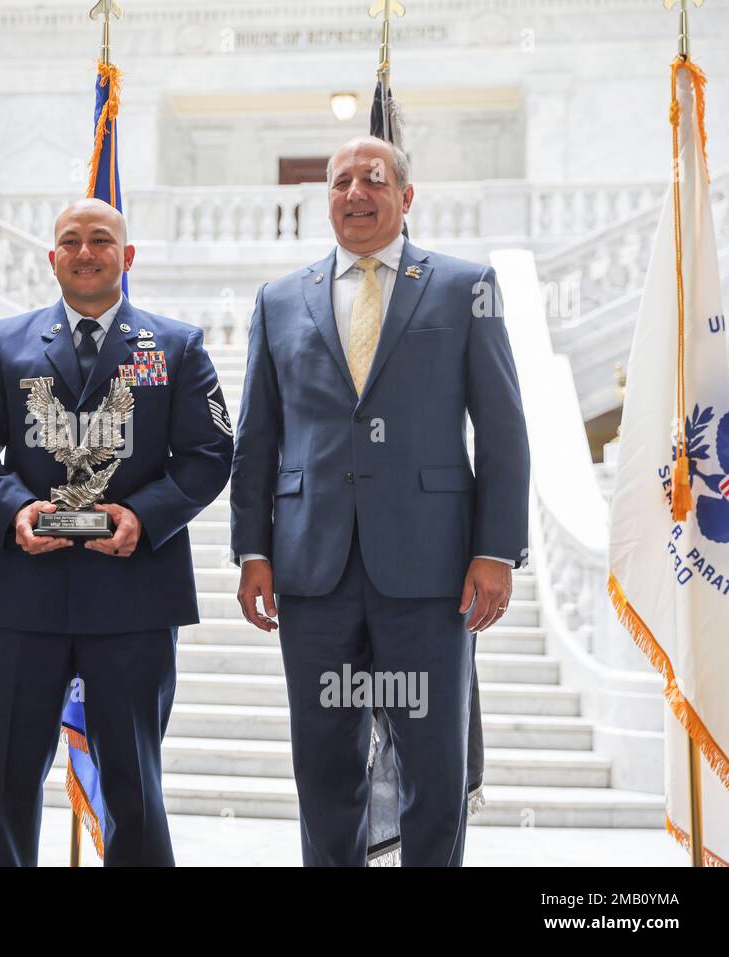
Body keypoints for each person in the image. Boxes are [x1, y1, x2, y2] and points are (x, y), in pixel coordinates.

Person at [230, 135, 530, 866]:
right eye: (340, 182)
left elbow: (503, 431)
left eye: (373, 179)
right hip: (311, 571)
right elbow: (257, 437)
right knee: (325, 766)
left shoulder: (465, 288)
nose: (355, 194)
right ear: (325, 195)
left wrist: (495, 549)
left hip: (431, 572)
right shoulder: (279, 301)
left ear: (406, 196)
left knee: (434, 766)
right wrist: (253, 549)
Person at [0, 198, 233, 866]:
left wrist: (146, 514)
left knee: (134, 782)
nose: (84, 251)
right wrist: (13, 509)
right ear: (52, 258)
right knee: (10, 780)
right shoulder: (4, 342)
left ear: (126, 256)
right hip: (26, 596)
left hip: (133, 598)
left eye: (100, 239)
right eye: (70, 240)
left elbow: (210, 453)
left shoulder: (175, 346)